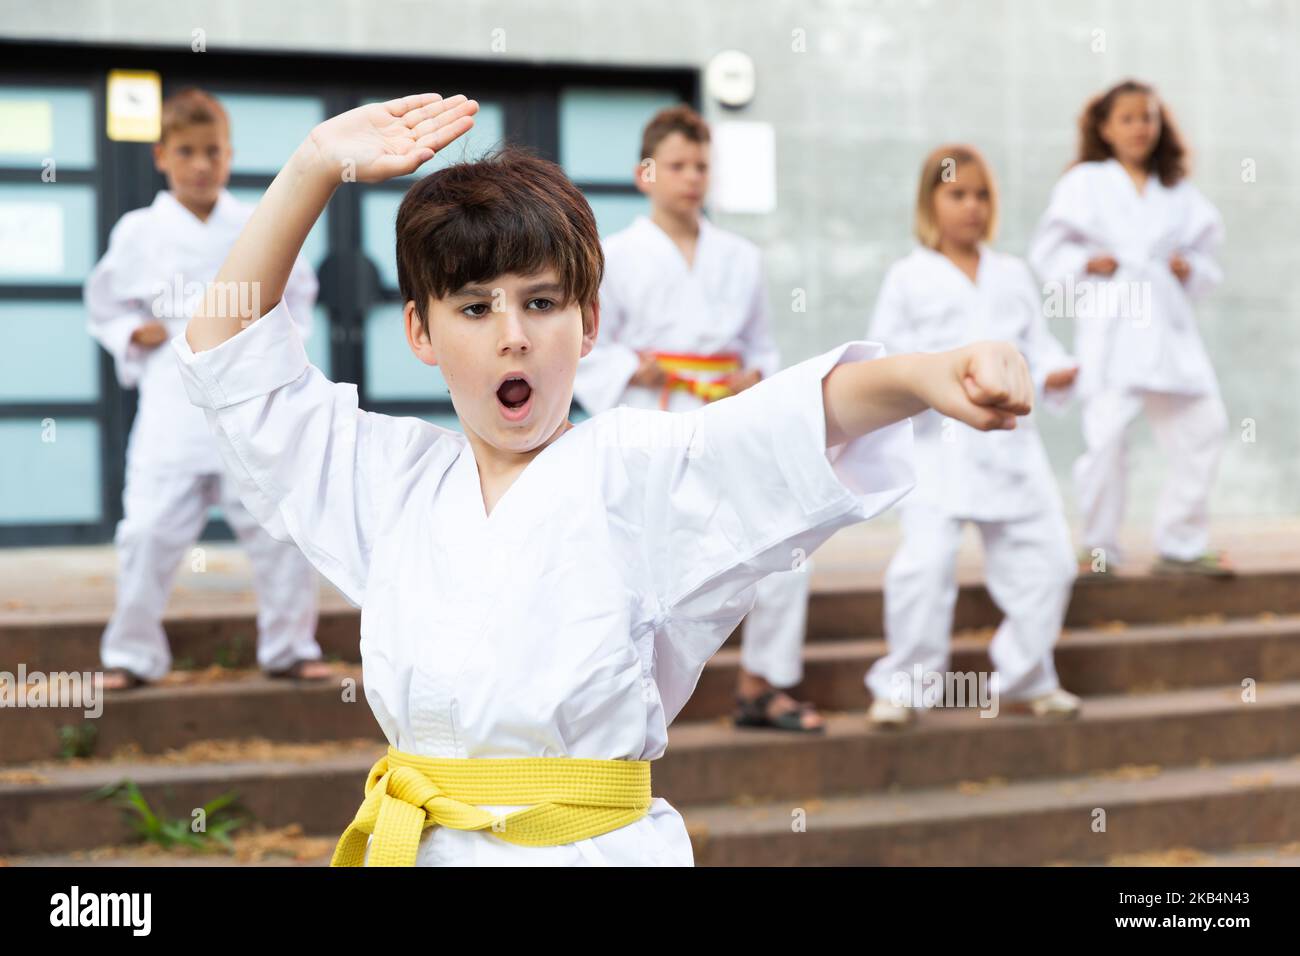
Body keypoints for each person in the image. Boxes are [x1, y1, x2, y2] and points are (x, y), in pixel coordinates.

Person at [175, 92, 1035, 866]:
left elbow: (788, 422)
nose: (512, 335)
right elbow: (232, 357)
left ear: (589, 323)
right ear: (420, 332)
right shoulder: (391, 481)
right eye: (475, 307)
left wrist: (929, 374)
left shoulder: (634, 471)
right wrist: (314, 163)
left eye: (540, 302)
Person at [573, 105, 821, 733]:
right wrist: (633, 364)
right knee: (643, 553)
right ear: (645, 173)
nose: (691, 178)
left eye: (702, 166)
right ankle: (630, 693)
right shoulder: (614, 254)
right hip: (654, 415)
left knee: (788, 544)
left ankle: (762, 684)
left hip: (730, 414)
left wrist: (753, 376)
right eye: (678, 165)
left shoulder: (741, 256)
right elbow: (583, 344)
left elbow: (763, 345)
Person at [86, 88, 327, 690]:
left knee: (281, 531)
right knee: (144, 534)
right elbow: (104, 303)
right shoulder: (139, 231)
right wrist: (129, 334)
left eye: (212, 152)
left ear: (229, 156)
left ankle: (291, 647)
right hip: (170, 409)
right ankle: (131, 655)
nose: (200, 164)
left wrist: (275, 350)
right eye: (187, 152)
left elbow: (298, 292)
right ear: (162, 156)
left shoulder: (255, 222)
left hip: (247, 403)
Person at [863, 144, 1082, 728]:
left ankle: (1028, 675)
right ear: (931, 200)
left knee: (1052, 563)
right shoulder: (908, 276)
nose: (972, 207)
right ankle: (904, 686)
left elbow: (1039, 346)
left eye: (983, 195)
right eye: (958, 193)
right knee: (924, 566)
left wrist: (1060, 370)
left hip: (1011, 443)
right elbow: (888, 356)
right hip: (938, 445)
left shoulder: (1012, 273)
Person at [1028, 79, 1232, 579]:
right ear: (1104, 127)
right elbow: (1048, 253)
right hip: (1115, 324)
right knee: (1106, 439)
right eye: (1128, 118)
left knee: (1205, 425)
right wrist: (1086, 263)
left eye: (1148, 117)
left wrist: (1191, 271)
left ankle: (1182, 542)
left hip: (1168, 329)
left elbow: (1208, 259)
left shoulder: (1179, 192)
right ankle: (1098, 546)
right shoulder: (1085, 182)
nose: (1141, 127)